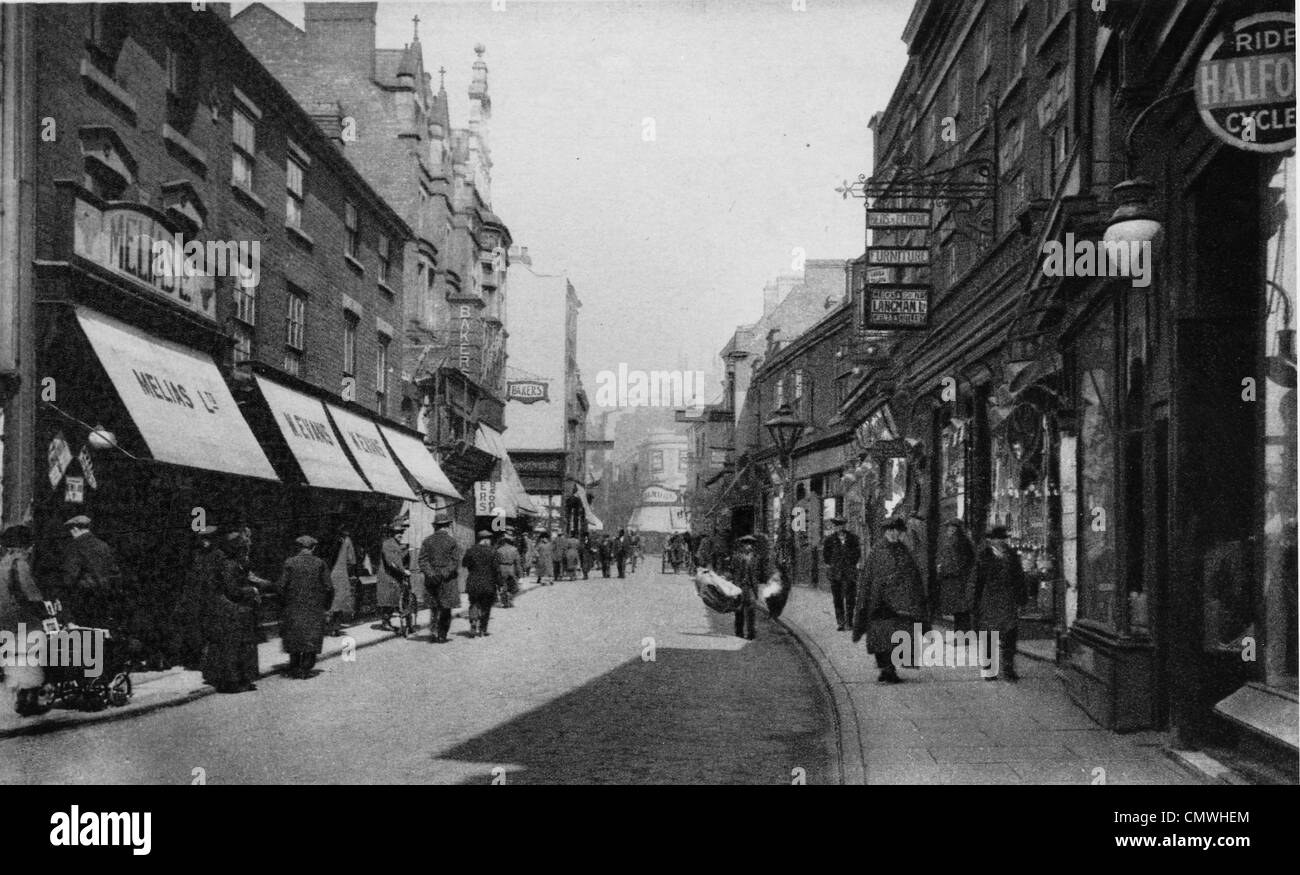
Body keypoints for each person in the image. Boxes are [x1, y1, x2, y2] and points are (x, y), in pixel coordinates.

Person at [852, 517, 926, 684]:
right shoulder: (877, 551)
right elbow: (869, 578)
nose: (894, 534)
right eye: (890, 531)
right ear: (885, 532)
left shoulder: (903, 550)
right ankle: (886, 669)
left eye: (897, 531)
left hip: (900, 605)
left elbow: (912, 576)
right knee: (881, 637)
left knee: (896, 637)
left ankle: (888, 669)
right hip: (880, 604)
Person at [202, 531, 261, 693]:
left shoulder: (232, 563)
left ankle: (240, 680)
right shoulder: (230, 565)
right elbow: (233, 590)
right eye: (243, 548)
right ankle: (233, 683)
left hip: (233, 611)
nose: (246, 551)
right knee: (233, 648)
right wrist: (253, 590)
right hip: (232, 611)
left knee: (237, 647)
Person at [970, 525, 1027, 682]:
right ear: (991, 541)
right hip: (989, 601)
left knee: (1010, 635)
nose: (1000, 542)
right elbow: (977, 581)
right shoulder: (984, 557)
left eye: (1002, 539)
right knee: (989, 636)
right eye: (997, 539)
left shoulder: (1012, 556)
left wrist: (1021, 598)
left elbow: (1019, 578)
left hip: (1008, 601)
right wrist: (974, 603)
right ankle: (989, 669)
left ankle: (1008, 668)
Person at [1, 525, 48, 716]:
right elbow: (30, 593)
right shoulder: (19, 563)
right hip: (21, 618)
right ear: (24, 546)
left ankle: (22, 698)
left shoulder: (3, 563)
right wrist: (44, 610)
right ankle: (31, 699)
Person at [273, 536, 333, 680]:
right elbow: (329, 587)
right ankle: (305, 669)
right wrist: (326, 605)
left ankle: (294, 667)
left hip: (293, 607)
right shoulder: (320, 563)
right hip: (314, 608)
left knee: (295, 636)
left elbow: (281, 586)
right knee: (311, 637)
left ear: (298, 548)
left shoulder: (290, 562)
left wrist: (283, 604)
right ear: (313, 548)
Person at [60, 515, 122, 632]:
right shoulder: (103, 546)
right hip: (104, 600)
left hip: (83, 600)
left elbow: (69, 578)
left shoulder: (75, 547)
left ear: (75, 529)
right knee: (101, 636)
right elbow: (115, 574)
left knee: (84, 637)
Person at [174, 525, 221, 670]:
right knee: (197, 631)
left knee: (212, 630)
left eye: (208, 539)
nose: (205, 542)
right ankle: (198, 659)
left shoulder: (218, 555)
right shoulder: (196, 556)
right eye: (203, 539)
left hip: (213, 598)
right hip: (197, 599)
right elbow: (191, 578)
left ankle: (211, 660)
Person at [418, 511, 461, 643]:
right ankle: (442, 634)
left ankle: (434, 631)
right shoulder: (452, 542)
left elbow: (422, 560)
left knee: (434, 607)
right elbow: (455, 561)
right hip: (447, 580)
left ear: (435, 526)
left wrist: (431, 574)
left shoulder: (427, 541)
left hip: (432, 579)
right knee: (446, 608)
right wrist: (444, 573)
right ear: (447, 526)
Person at [936, 518, 976, 632]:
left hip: (957, 583)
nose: (948, 530)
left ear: (954, 529)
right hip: (959, 583)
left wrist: (942, 569)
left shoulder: (957, 542)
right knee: (960, 612)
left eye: (950, 527)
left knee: (960, 612)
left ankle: (962, 637)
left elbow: (955, 564)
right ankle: (962, 636)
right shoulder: (961, 541)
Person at [821, 516, 861, 631]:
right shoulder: (829, 540)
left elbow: (857, 553)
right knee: (837, 598)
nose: (839, 527)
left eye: (841, 525)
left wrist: (852, 563)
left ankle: (849, 621)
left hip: (849, 571)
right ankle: (840, 622)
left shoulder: (853, 538)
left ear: (844, 526)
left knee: (850, 597)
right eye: (837, 525)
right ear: (834, 527)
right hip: (835, 572)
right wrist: (832, 565)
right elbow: (826, 556)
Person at [730, 533, 769, 640]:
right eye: (746, 544)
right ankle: (739, 632)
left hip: (751, 587)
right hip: (739, 586)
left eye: (750, 544)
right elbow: (733, 571)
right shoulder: (736, 557)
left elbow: (759, 572)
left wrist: (761, 585)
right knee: (739, 610)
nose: (748, 546)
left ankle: (751, 633)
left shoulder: (756, 558)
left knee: (751, 610)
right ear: (742, 545)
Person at [322, 521, 357, 638]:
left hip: (325, 574)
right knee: (339, 601)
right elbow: (352, 560)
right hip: (340, 574)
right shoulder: (346, 541)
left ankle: (324, 625)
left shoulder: (326, 539)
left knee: (326, 600)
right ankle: (335, 628)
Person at [462, 531, 499, 637]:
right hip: (488, 583)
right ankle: (483, 629)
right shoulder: (493, 551)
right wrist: (499, 582)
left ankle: (473, 621)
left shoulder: (471, 550)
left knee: (473, 603)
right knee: (486, 606)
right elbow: (496, 569)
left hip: (473, 582)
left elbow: (464, 564)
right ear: (487, 539)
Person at [376, 519, 410, 631]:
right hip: (388, 577)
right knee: (388, 600)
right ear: (392, 533)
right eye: (397, 533)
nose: (400, 535)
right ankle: (385, 622)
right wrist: (403, 571)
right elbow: (391, 562)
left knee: (393, 599)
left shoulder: (396, 544)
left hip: (394, 577)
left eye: (402, 532)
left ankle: (387, 621)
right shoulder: (388, 544)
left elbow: (399, 558)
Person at [494, 533, 523, 608]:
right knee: (513, 586)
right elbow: (518, 563)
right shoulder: (514, 549)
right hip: (511, 568)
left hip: (502, 568)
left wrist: (496, 572)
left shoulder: (499, 550)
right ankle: (509, 599)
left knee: (503, 585)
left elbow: (496, 562)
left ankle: (504, 601)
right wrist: (520, 575)